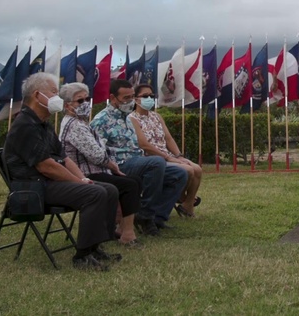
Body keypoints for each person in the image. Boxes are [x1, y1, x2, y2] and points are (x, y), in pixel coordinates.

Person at [3, 73, 121, 271]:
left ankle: (94, 247)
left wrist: (82, 178)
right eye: (54, 92)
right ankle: (82, 256)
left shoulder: (43, 124)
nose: (57, 97)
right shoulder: (24, 125)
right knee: (95, 193)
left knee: (109, 190)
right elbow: (46, 166)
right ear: (38, 95)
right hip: (34, 188)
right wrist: (79, 182)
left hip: (48, 183)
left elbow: (64, 158)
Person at [91, 79, 187, 235]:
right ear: (113, 98)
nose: (130, 101)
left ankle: (156, 217)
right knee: (156, 163)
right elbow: (96, 151)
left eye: (132, 97)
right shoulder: (101, 120)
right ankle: (145, 215)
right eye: (126, 98)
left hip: (137, 160)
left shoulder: (128, 118)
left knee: (179, 174)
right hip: (118, 165)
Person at [58, 82, 144, 248]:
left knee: (134, 181)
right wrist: (111, 164)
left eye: (87, 99)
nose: (85, 104)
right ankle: (127, 233)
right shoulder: (74, 125)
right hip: (84, 173)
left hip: (96, 169)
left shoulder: (81, 122)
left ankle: (121, 227)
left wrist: (108, 160)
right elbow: (97, 155)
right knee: (129, 185)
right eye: (79, 101)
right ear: (68, 105)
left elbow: (100, 150)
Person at [127, 84, 204, 218]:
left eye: (152, 96)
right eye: (145, 96)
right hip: (150, 158)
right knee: (188, 170)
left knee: (197, 169)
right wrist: (168, 158)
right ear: (135, 99)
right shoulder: (131, 118)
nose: (149, 98)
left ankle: (188, 206)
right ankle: (180, 197)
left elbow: (168, 139)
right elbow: (144, 145)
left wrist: (178, 156)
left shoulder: (156, 117)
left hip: (167, 155)